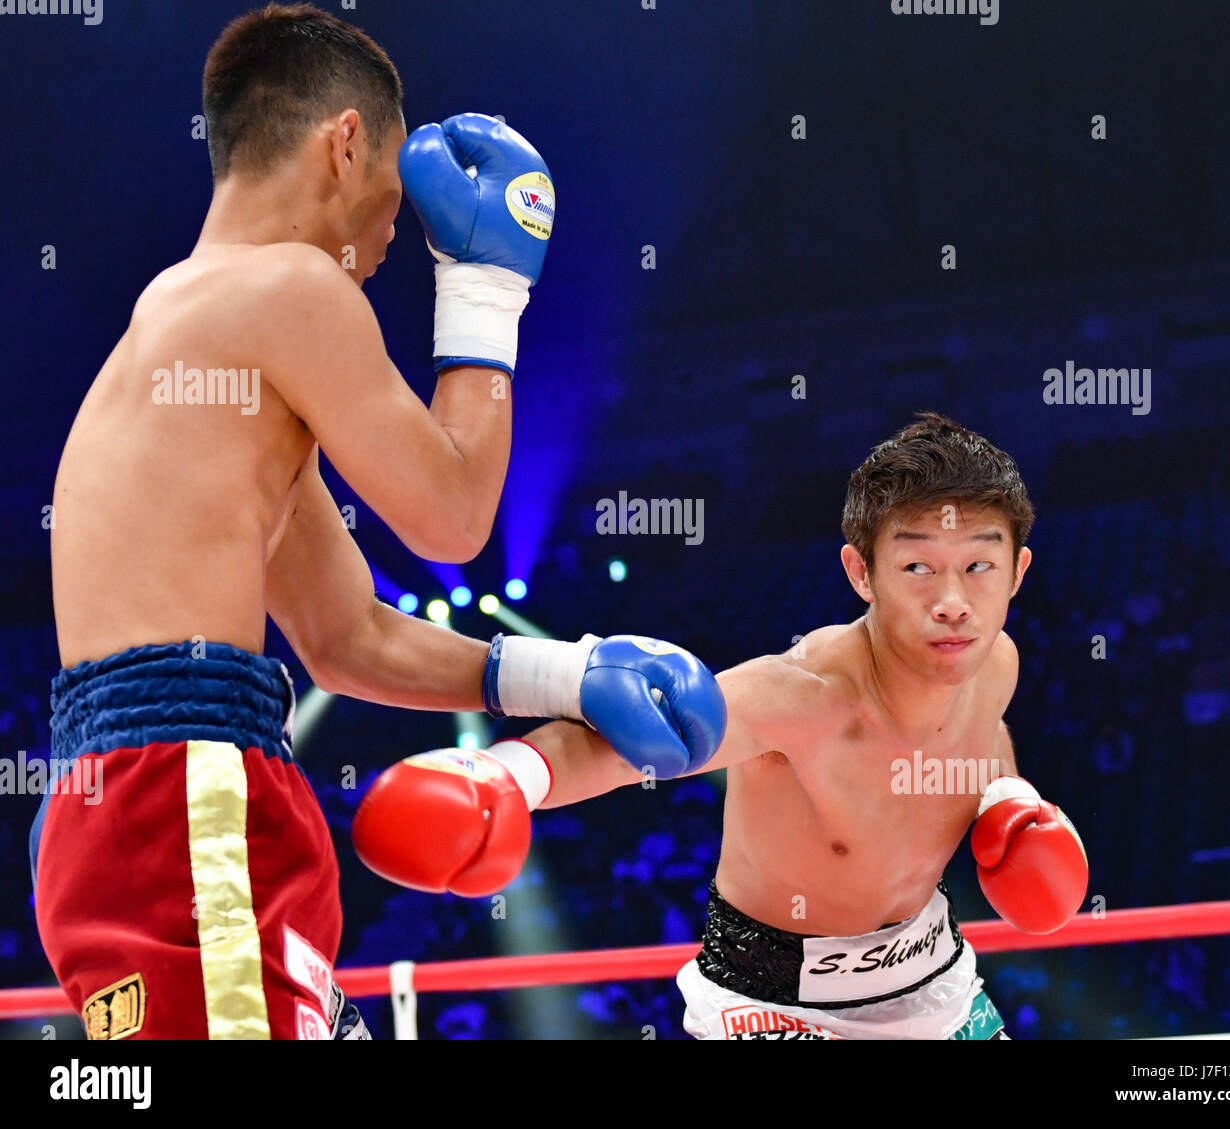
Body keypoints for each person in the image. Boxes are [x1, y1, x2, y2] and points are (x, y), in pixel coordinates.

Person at [33, 3, 724, 1041]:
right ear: (344, 142)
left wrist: (562, 675)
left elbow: (345, 637)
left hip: (147, 799)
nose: (400, 231)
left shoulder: (191, 334)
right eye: (397, 192)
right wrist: (486, 288)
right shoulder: (289, 285)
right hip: (186, 799)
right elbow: (451, 519)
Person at [360, 413, 1087, 1039]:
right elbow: (634, 739)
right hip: (771, 1002)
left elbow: (985, 737)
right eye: (919, 567)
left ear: (1018, 570)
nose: (954, 601)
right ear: (861, 573)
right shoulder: (804, 693)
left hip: (932, 974)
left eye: (980, 565)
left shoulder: (996, 663)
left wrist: (1008, 798)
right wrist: (502, 775)